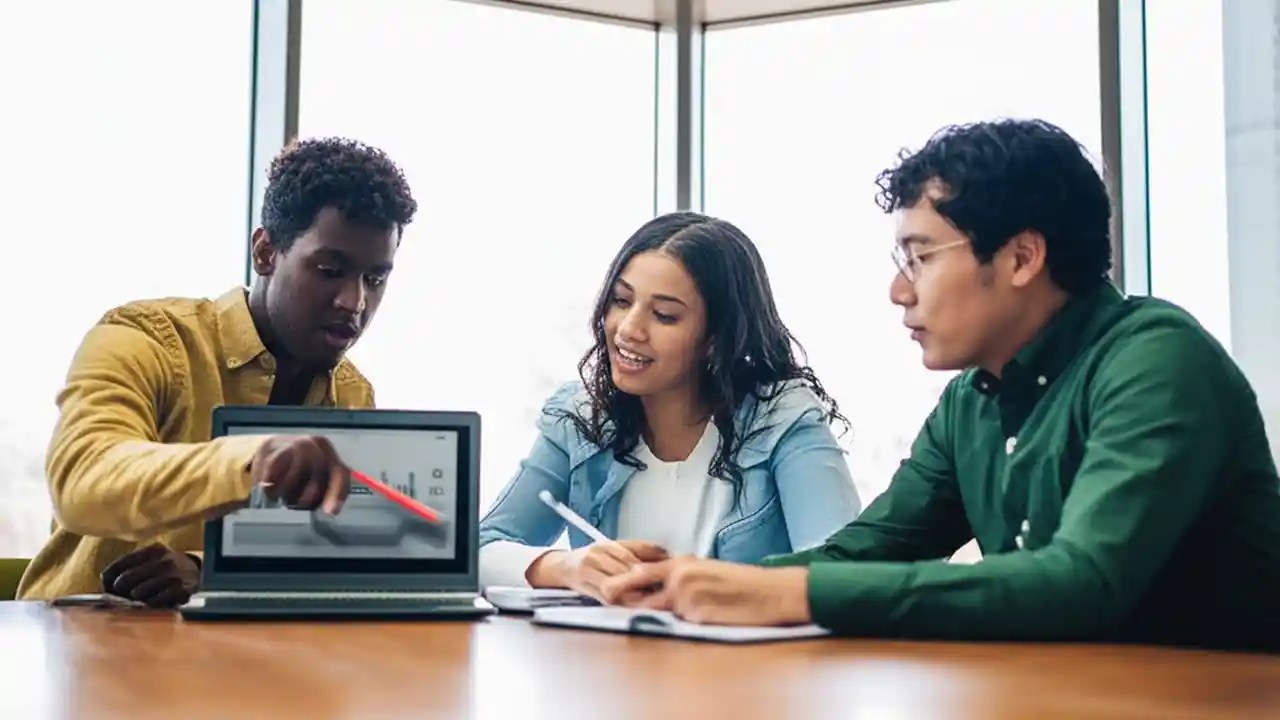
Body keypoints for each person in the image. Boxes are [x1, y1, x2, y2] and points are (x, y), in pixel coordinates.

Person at [600, 119, 1280, 653]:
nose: (899, 291)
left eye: (921, 257)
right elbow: (868, 549)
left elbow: (1082, 583)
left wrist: (793, 596)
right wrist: (708, 585)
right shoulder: (972, 399)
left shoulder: (1156, 361)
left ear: (1021, 256)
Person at [17, 137, 418, 607]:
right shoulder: (144, 338)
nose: (355, 303)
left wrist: (207, 571)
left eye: (375, 279)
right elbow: (82, 478)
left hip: (249, 668)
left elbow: (316, 558)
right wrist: (251, 461)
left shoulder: (353, 395)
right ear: (266, 252)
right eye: (330, 270)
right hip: (82, 657)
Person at [478, 211, 862, 600]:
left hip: (745, 660)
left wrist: (712, 588)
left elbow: (841, 572)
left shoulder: (782, 419)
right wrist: (567, 567)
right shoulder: (581, 419)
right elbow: (479, 551)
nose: (629, 329)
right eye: (621, 300)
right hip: (609, 658)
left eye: (664, 315)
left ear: (716, 337)